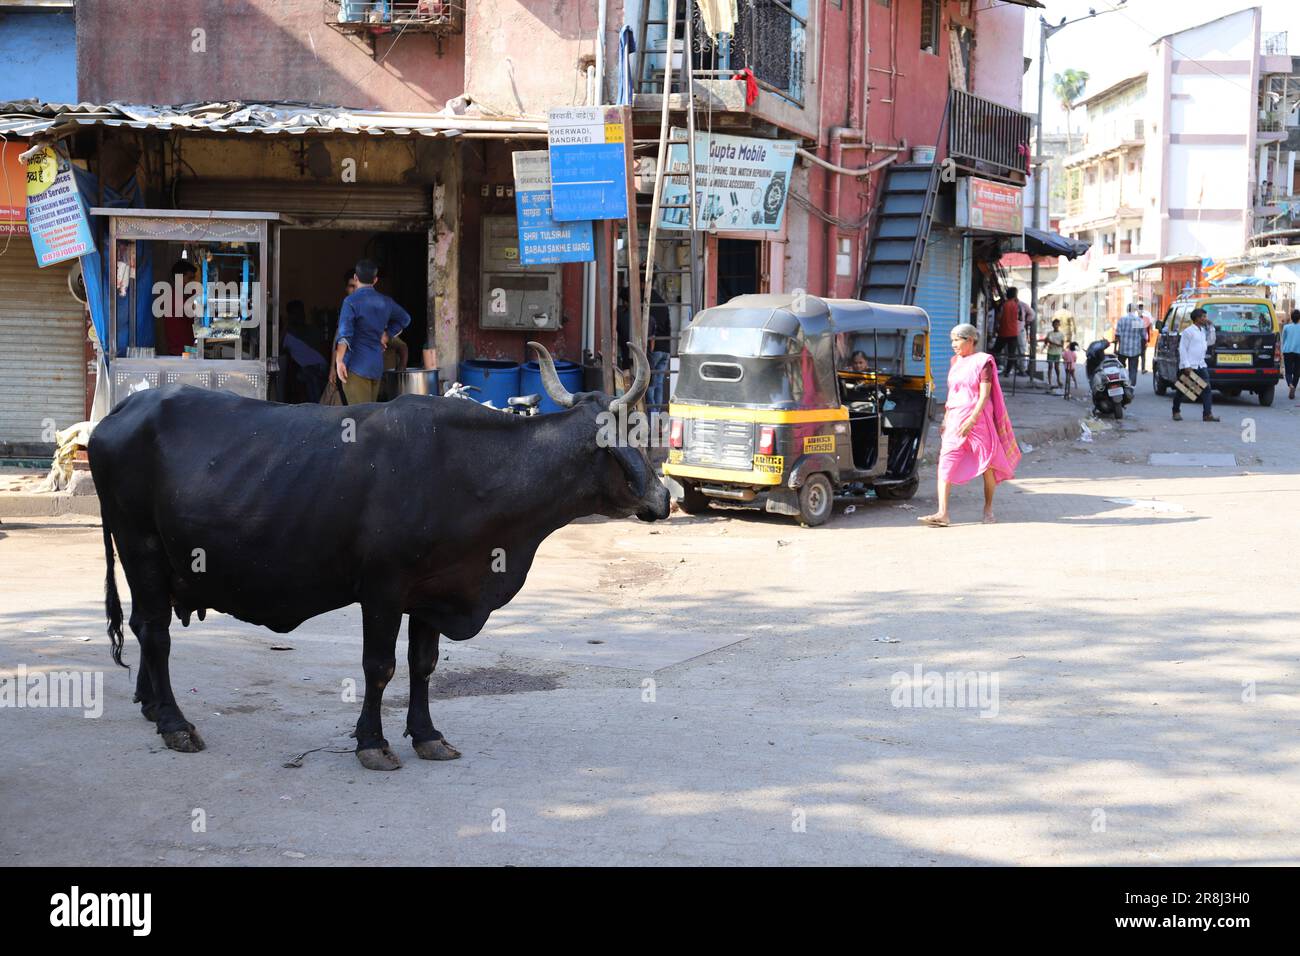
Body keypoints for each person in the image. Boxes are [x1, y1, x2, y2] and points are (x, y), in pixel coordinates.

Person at [918, 323, 1020, 527]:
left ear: (971, 340)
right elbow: (952, 392)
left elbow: (984, 396)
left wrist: (971, 420)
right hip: (955, 420)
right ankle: (942, 513)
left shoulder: (983, 362)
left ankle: (988, 510)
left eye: (957, 340)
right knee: (945, 462)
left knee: (987, 465)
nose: (953, 344)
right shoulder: (955, 361)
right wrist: (946, 418)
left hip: (978, 421)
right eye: (952, 340)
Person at [334, 259, 411, 405]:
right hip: (376, 367)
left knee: (360, 418)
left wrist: (339, 362)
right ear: (375, 280)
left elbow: (345, 335)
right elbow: (405, 318)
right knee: (370, 416)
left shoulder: (350, 301)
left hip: (355, 367)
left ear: (356, 278)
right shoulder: (386, 301)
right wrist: (387, 334)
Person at [1172, 306, 1219, 422]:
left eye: (1205, 317)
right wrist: (1186, 365)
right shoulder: (1188, 332)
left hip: (1201, 365)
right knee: (1183, 389)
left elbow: (1211, 341)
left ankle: (1207, 414)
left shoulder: (1202, 331)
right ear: (1197, 319)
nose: (1205, 319)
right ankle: (1176, 411)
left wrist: (1211, 327)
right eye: (1203, 317)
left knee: (1207, 389)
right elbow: (1182, 348)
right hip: (1189, 366)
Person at [281, 300, 328, 403]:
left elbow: (323, 349)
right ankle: (316, 406)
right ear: (290, 316)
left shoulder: (312, 329)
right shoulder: (288, 334)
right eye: (295, 313)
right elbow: (280, 351)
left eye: (301, 312)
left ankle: (317, 406)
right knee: (309, 376)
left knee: (312, 376)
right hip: (304, 369)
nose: (300, 316)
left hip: (320, 366)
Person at [646, 286, 672, 410]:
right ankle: (658, 417)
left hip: (654, 349)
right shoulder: (663, 304)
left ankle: (652, 415)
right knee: (659, 384)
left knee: (650, 384)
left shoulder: (647, 304)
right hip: (666, 349)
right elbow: (669, 328)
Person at [1114, 303, 1145, 387]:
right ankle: (1131, 387)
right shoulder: (1138, 321)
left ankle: (1121, 385)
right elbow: (1143, 336)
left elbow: (1117, 335)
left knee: (1121, 368)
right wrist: (1142, 350)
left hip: (1122, 349)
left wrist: (1115, 349)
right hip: (1135, 350)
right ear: (1135, 310)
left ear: (1127, 309)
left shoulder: (1122, 319)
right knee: (1133, 370)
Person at [993, 288, 1022, 375]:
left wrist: (997, 326)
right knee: (1011, 354)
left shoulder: (1003, 304)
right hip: (1013, 332)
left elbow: (998, 317)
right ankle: (1007, 372)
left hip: (1003, 331)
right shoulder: (1017, 305)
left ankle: (992, 368)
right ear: (1015, 295)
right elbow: (1020, 318)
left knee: (996, 351)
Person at [1041, 319, 1065, 388]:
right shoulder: (1049, 333)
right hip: (1050, 352)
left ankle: (1058, 380)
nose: (1056, 326)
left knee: (1056, 367)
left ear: (1059, 325)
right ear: (1052, 325)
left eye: (1057, 324)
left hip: (1057, 353)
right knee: (1050, 366)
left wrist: (1052, 342)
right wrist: (1045, 344)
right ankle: (1049, 381)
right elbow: (1046, 341)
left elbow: (1062, 345)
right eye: (1055, 324)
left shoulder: (1061, 334)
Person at [1283, 308, 1300, 400]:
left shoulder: (1286, 327)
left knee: (1288, 371)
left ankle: (1290, 385)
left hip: (1288, 351)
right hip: (1298, 352)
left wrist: (1282, 351)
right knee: (1297, 373)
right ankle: (1294, 385)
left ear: (1291, 317)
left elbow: (1283, 340)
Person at [1136, 300, 1155, 373]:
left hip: (1141, 339)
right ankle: (1141, 368)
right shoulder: (1136, 317)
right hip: (1140, 339)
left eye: (1141, 307)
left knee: (1142, 354)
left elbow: (1148, 328)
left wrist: (1148, 339)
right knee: (1141, 354)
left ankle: (1142, 368)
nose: (1140, 309)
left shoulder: (1145, 316)